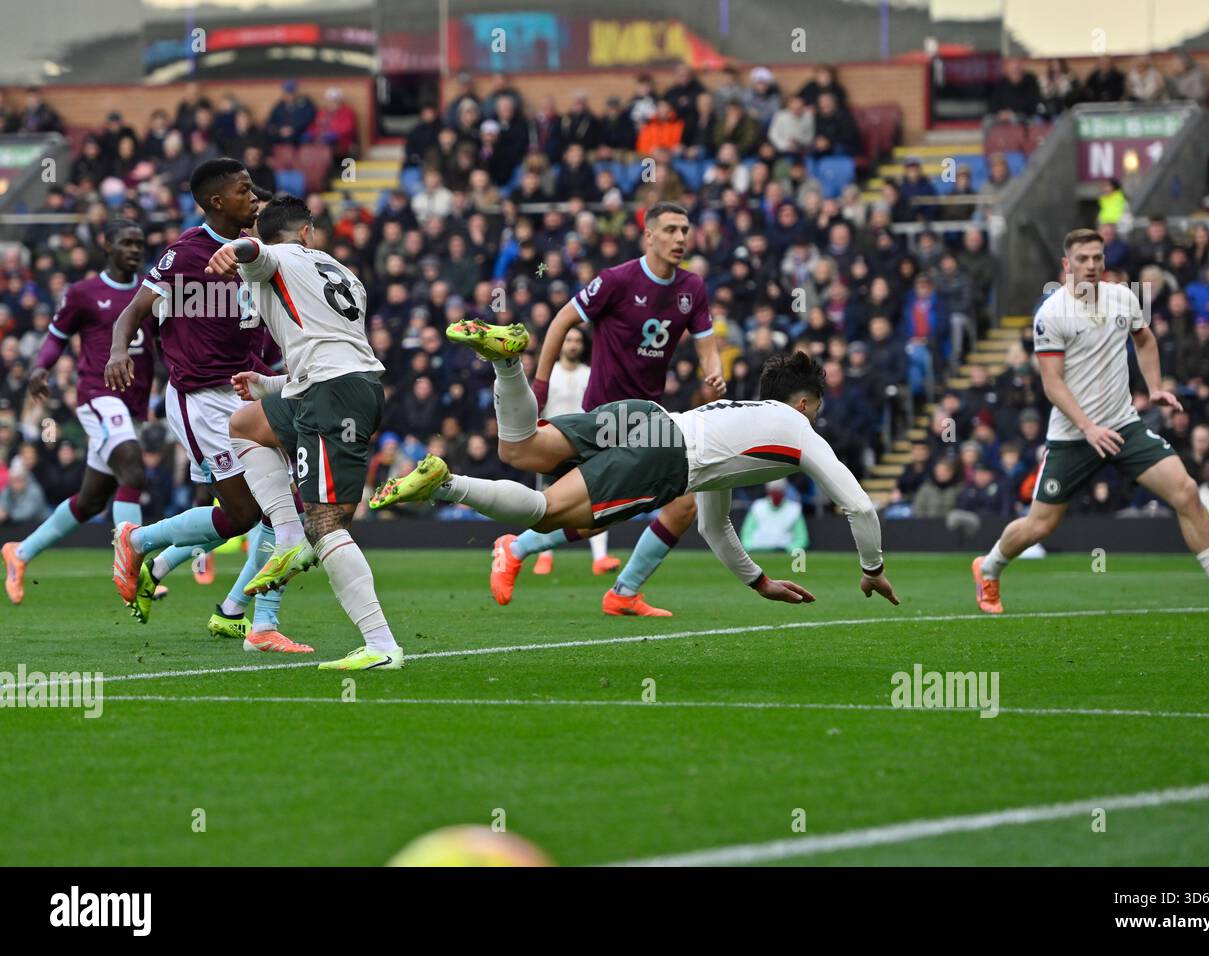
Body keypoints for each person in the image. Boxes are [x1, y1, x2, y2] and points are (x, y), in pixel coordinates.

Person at [373, 348, 899, 608]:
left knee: (520, 447)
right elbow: (860, 506)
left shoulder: (742, 418)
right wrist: (872, 568)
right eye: (817, 411)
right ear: (804, 403)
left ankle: (507, 364)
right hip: (664, 457)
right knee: (544, 510)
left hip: (647, 415)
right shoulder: (798, 429)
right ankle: (445, 484)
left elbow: (714, 525)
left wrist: (759, 583)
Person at [973, 228, 1209, 617]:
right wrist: (1089, 428)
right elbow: (1053, 384)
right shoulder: (1052, 314)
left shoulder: (1123, 298)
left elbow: (1144, 340)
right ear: (1067, 265)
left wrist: (1156, 386)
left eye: (1097, 257)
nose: (1092, 265)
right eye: (1082, 259)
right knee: (1039, 527)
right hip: (1074, 437)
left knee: (1187, 492)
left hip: (1123, 426)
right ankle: (988, 568)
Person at [104, 158, 307, 651]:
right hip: (201, 399)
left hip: (247, 392)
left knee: (285, 508)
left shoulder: (259, 251)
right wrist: (117, 352)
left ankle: (255, 621)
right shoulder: (185, 255)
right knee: (242, 513)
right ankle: (136, 542)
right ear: (217, 202)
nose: (253, 197)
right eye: (243, 191)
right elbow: (132, 312)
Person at [205, 196, 400, 671]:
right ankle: (289, 535)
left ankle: (381, 645)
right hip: (341, 385)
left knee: (327, 524)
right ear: (309, 231)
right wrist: (269, 384)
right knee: (246, 424)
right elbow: (328, 347)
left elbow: (260, 257)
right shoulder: (340, 270)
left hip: (333, 396)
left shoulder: (278, 256)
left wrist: (239, 247)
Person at [511, 201, 725, 617]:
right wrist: (540, 381)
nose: (681, 238)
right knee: (599, 512)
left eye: (685, 230)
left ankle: (621, 591)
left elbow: (707, 347)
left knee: (682, 505)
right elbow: (560, 321)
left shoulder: (692, 288)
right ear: (649, 235)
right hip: (606, 416)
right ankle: (517, 547)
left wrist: (713, 373)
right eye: (671, 230)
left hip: (650, 416)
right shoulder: (616, 280)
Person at [3, 222, 156, 605]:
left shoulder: (154, 291)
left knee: (90, 501)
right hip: (97, 395)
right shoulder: (84, 293)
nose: (134, 249)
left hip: (133, 402)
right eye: (126, 242)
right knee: (133, 469)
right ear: (108, 246)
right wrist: (42, 367)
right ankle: (130, 566)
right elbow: (56, 336)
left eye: (139, 243)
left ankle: (19, 553)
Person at [531, 325, 620, 577]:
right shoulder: (549, 375)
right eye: (568, 339)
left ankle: (600, 558)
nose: (572, 344)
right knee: (545, 502)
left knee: (596, 498)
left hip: (585, 443)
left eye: (577, 340)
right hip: (551, 443)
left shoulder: (590, 374)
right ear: (560, 344)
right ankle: (544, 556)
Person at [740, 479, 808, 554]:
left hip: (783, 554)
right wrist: (751, 548)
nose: (776, 494)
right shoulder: (757, 506)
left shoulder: (794, 509)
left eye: (779, 491)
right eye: (773, 491)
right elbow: (746, 535)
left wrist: (789, 549)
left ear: (784, 492)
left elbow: (802, 539)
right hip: (757, 552)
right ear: (768, 491)